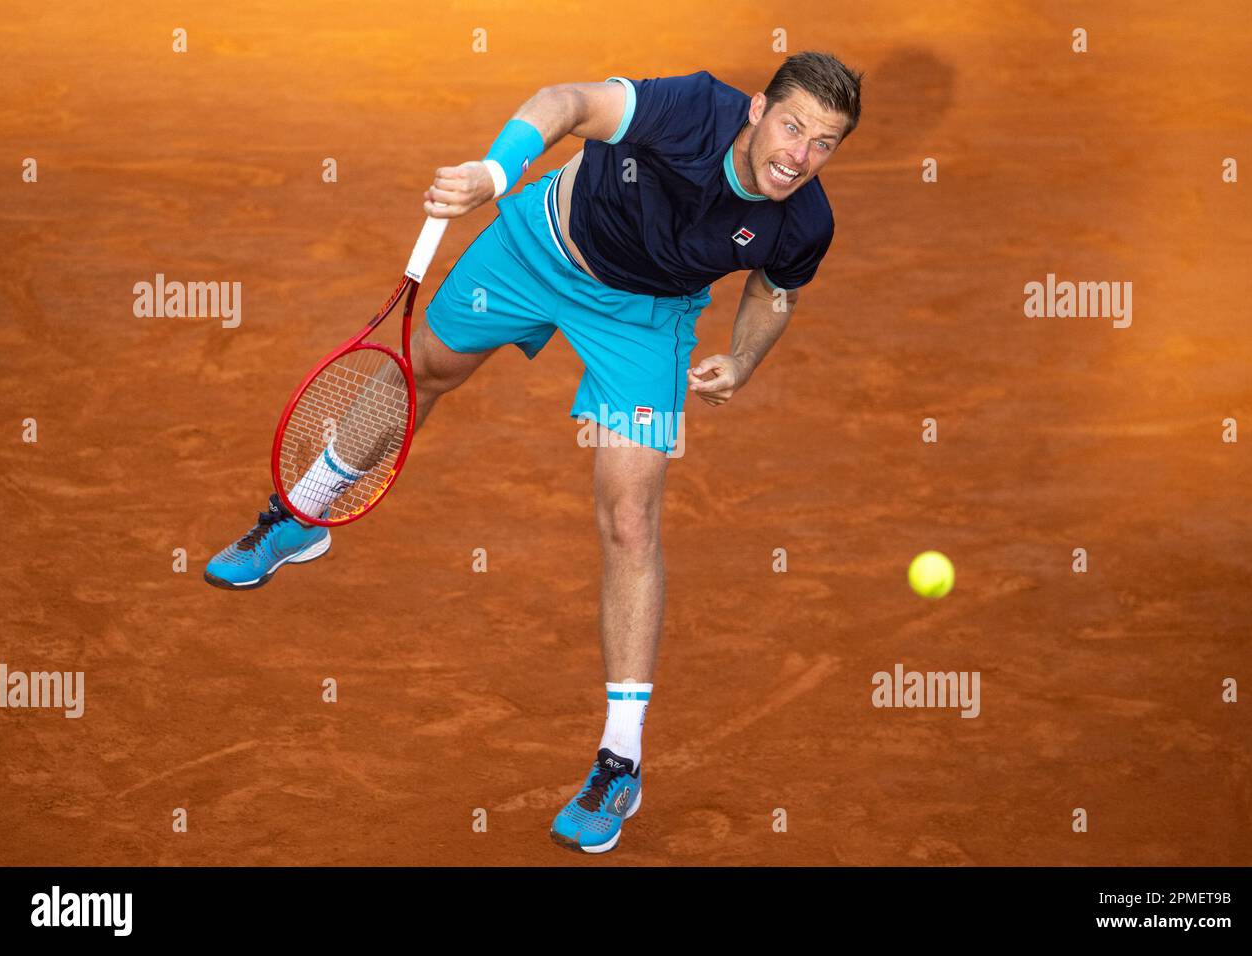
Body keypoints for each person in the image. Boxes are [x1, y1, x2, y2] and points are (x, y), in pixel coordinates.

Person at [205, 51, 862, 854]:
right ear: (757, 110)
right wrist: (493, 171)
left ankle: (620, 762)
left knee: (630, 517)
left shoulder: (805, 220)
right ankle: (303, 512)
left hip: (644, 320)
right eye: (792, 126)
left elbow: (774, 290)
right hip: (536, 247)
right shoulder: (692, 108)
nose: (799, 155)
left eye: (824, 143)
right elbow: (569, 101)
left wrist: (746, 356)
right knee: (425, 373)